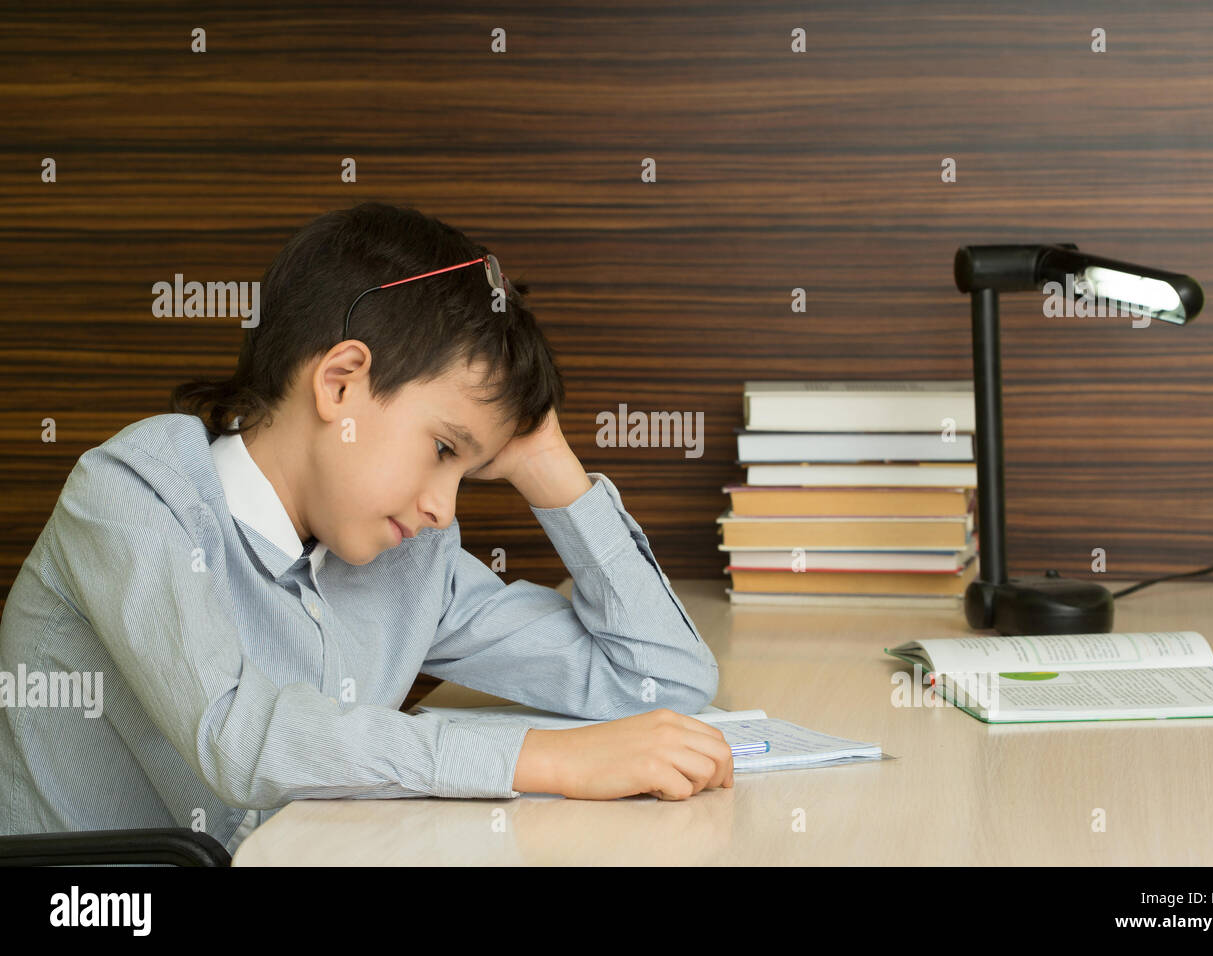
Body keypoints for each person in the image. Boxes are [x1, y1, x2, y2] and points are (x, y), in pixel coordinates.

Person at [0, 202, 731, 857]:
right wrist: (546, 761)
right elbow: (240, 736)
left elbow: (662, 679)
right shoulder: (131, 495)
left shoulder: (408, 558)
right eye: (444, 449)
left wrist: (549, 465)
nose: (445, 508)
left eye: (468, 470)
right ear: (341, 382)